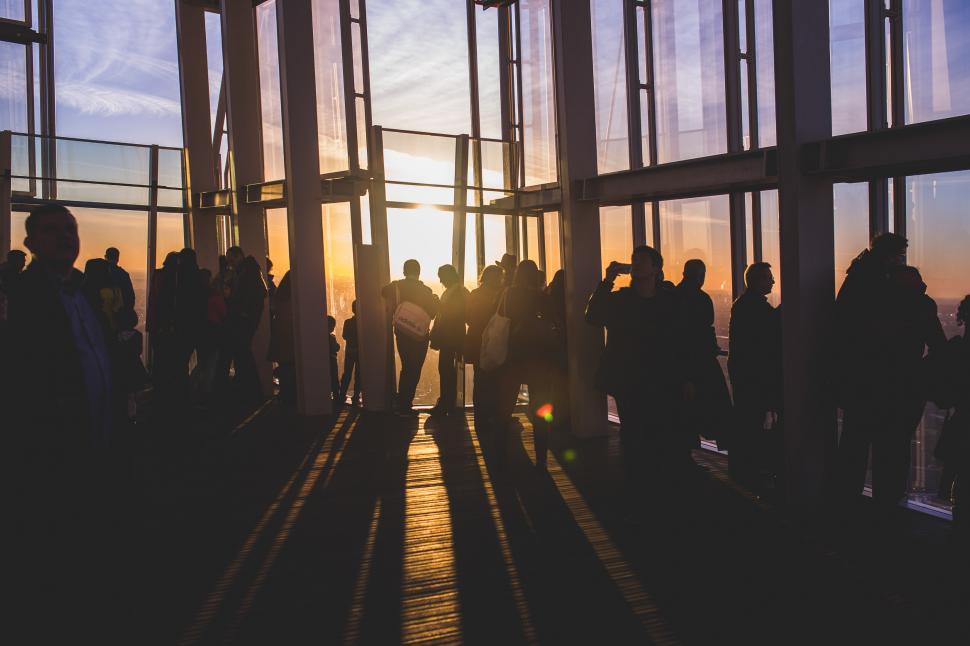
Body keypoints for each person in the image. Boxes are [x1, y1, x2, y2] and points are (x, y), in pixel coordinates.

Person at [3, 205, 122, 640]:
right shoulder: (22, 297)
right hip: (54, 443)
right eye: (52, 232)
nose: (65, 238)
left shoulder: (83, 290)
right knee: (58, 536)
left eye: (70, 230)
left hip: (98, 433)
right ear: (31, 244)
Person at [586, 246, 690, 505]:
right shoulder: (623, 300)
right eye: (634, 261)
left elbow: (680, 343)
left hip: (656, 381)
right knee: (634, 435)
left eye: (641, 261)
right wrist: (607, 280)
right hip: (632, 381)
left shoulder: (666, 302)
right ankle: (640, 489)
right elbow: (593, 316)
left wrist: (685, 377)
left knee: (652, 434)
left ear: (656, 269)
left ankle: (648, 490)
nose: (635, 265)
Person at [495, 260, 561, 469]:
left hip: (514, 355)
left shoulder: (509, 295)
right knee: (540, 407)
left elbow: (502, 317)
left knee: (505, 405)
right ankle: (541, 457)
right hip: (540, 358)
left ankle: (500, 454)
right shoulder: (543, 298)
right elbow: (554, 321)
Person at [728, 262, 782, 488]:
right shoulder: (757, 308)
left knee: (747, 420)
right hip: (755, 375)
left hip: (745, 373)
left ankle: (744, 469)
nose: (772, 282)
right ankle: (752, 469)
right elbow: (768, 335)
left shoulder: (743, 305)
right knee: (752, 422)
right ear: (756, 281)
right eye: (768, 278)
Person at [675, 260, 732, 459]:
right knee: (714, 408)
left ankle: (686, 455)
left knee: (686, 413)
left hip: (684, 365)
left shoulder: (674, 297)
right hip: (701, 362)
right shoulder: (702, 299)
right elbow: (705, 330)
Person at [381, 259, 439, 415]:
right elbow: (432, 314)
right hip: (420, 336)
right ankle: (405, 403)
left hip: (402, 332)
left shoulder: (396, 287)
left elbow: (383, 291)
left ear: (405, 271)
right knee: (415, 369)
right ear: (418, 272)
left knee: (407, 367)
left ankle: (402, 404)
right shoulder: (426, 290)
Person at [225, 245, 268, 402]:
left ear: (238, 257)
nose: (230, 263)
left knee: (242, 352)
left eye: (231, 260)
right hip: (246, 319)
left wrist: (243, 312)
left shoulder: (246, 273)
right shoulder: (249, 270)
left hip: (243, 319)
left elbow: (252, 295)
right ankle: (250, 389)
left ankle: (250, 389)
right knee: (243, 352)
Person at [465, 265, 505, 429]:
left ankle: (480, 416)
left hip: (476, 340)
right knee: (497, 380)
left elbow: (468, 317)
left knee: (480, 379)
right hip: (496, 340)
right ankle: (495, 415)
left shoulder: (475, 294)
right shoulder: (502, 295)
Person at [430, 264, 469, 417]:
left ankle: (446, 402)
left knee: (445, 369)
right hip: (456, 336)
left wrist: (440, 306)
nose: (440, 280)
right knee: (450, 370)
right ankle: (451, 403)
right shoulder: (461, 291)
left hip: (450, 336)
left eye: (441, 276)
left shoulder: (454, 292)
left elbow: (454, 314)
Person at [544, 269, 570, 430]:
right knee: (563, 381)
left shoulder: (548, 294)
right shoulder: (565, 297)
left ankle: (554, 416)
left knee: (555, 382)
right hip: (563, 343)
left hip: (550, 344)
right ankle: (563, 415)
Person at [340, 300, 361, 405]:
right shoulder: (363, 323)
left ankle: (342, 394)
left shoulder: (348, 322)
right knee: (359, 374)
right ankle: (356, 395)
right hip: (360, 352)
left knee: (347, 373)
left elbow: (344, 336)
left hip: (349, 351)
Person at [105, 246, 135, 312]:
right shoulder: (124, 275)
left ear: (105, 257)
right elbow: (130, 298)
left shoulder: (100, 274)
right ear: (118, 258)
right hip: (120, 314)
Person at [328, 314, 341, 402]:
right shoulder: (331, 337)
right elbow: (336, 347)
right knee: (334, 378)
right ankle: (336, 396)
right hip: (332, 359)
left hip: (327, 359)